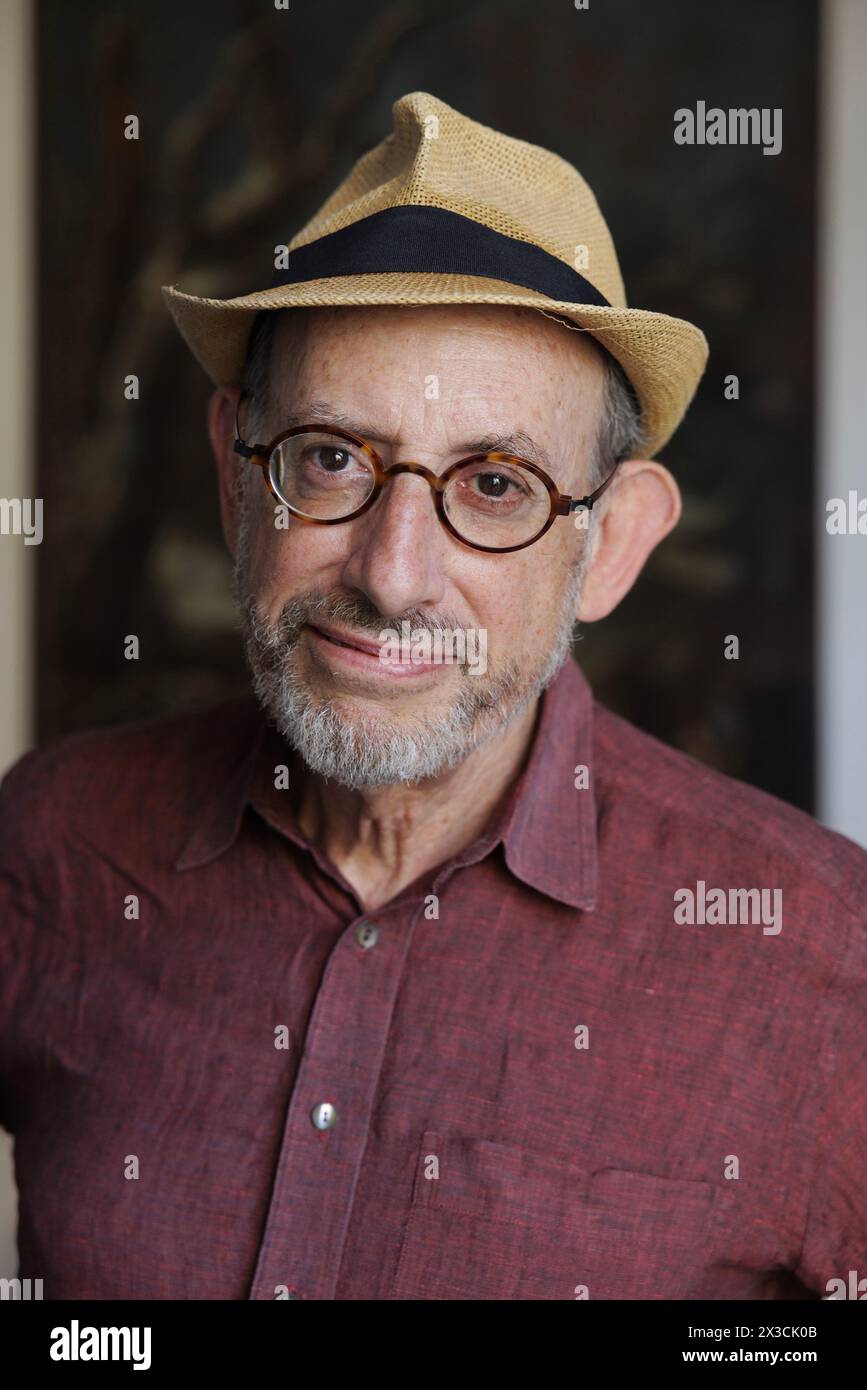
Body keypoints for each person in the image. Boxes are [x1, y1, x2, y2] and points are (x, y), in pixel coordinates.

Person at [1, 92, 864, 1301]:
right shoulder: (53, 841)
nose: (391, 574)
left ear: (611, 547)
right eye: (332, 457)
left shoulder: (827, 956)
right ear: (237, 481)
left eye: (498, 483)